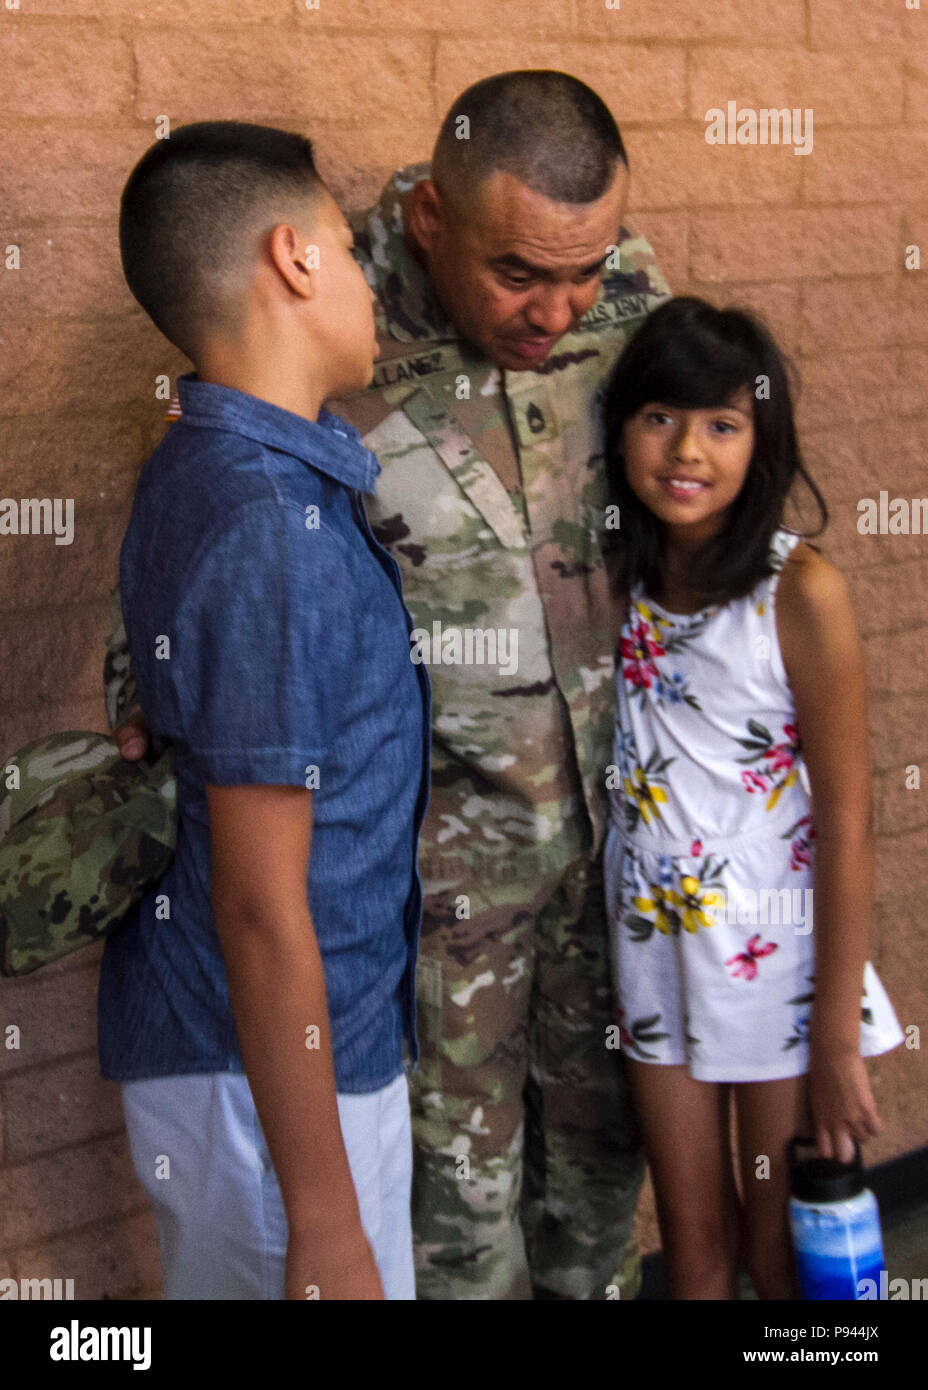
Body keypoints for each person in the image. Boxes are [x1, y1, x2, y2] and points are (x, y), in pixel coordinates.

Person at [106, 71, 670, 1300]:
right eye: (521, 272)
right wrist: (155, 693)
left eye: (587, 268)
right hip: (422, 903)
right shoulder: (318, 322)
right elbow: (212, 568)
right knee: (448, 1229)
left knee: (595, 1197)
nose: (558, 308)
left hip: (604, 852)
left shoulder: (633, 299)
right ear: (428, 223)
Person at [98, 122, 431, 1300]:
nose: (367, 276)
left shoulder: (227, 464)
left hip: (277, 1069)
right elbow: (254, 898)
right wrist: (327, 1220)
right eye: (348, 246)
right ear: (294, 258)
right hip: (270, 1085)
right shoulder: (262, 527)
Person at [601, 296, 904, 1300]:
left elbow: (849, 821)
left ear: (761, 443)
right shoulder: (610, 577)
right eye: (660, 417)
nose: (686, 449)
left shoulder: (798, 592)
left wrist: (832, 1042)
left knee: (779, 1249)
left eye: (722, 425)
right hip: (654, 951)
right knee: (692, 1242)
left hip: (774, 962)